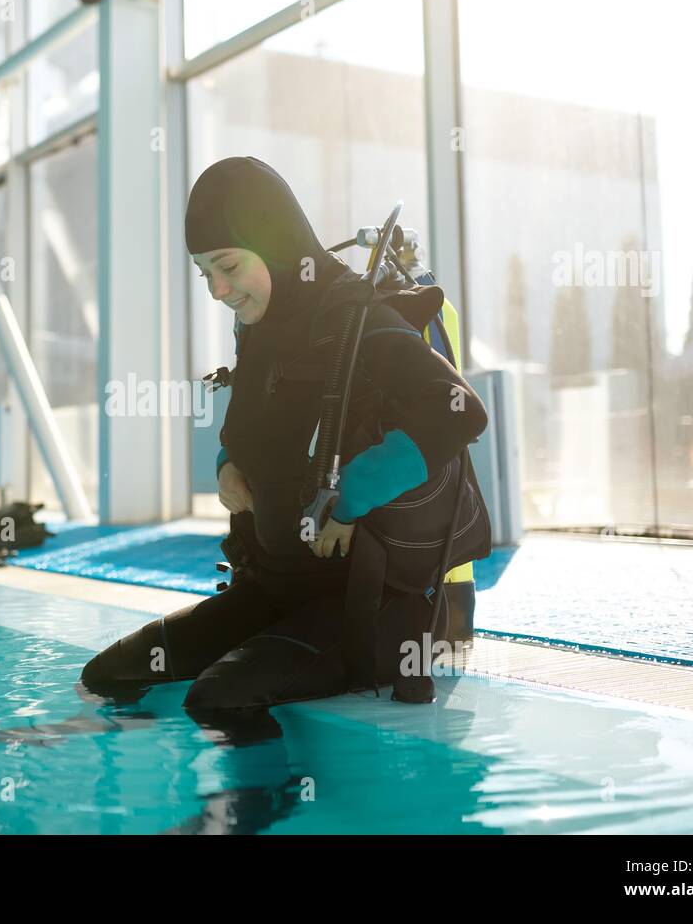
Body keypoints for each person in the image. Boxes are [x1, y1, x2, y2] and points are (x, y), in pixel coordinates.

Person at [81, 156, 490, 713]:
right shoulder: (259, 325)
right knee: (110, 673)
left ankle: (260, 801)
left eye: (227, 265)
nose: (217, 289)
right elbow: (256, 420)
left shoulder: (356, 317)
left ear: (274, 246)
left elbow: (459, 411)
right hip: (273, 590)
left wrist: (351, 498)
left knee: (218, 700)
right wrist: (228, 463)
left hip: (365, 606)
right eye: (204, 273)